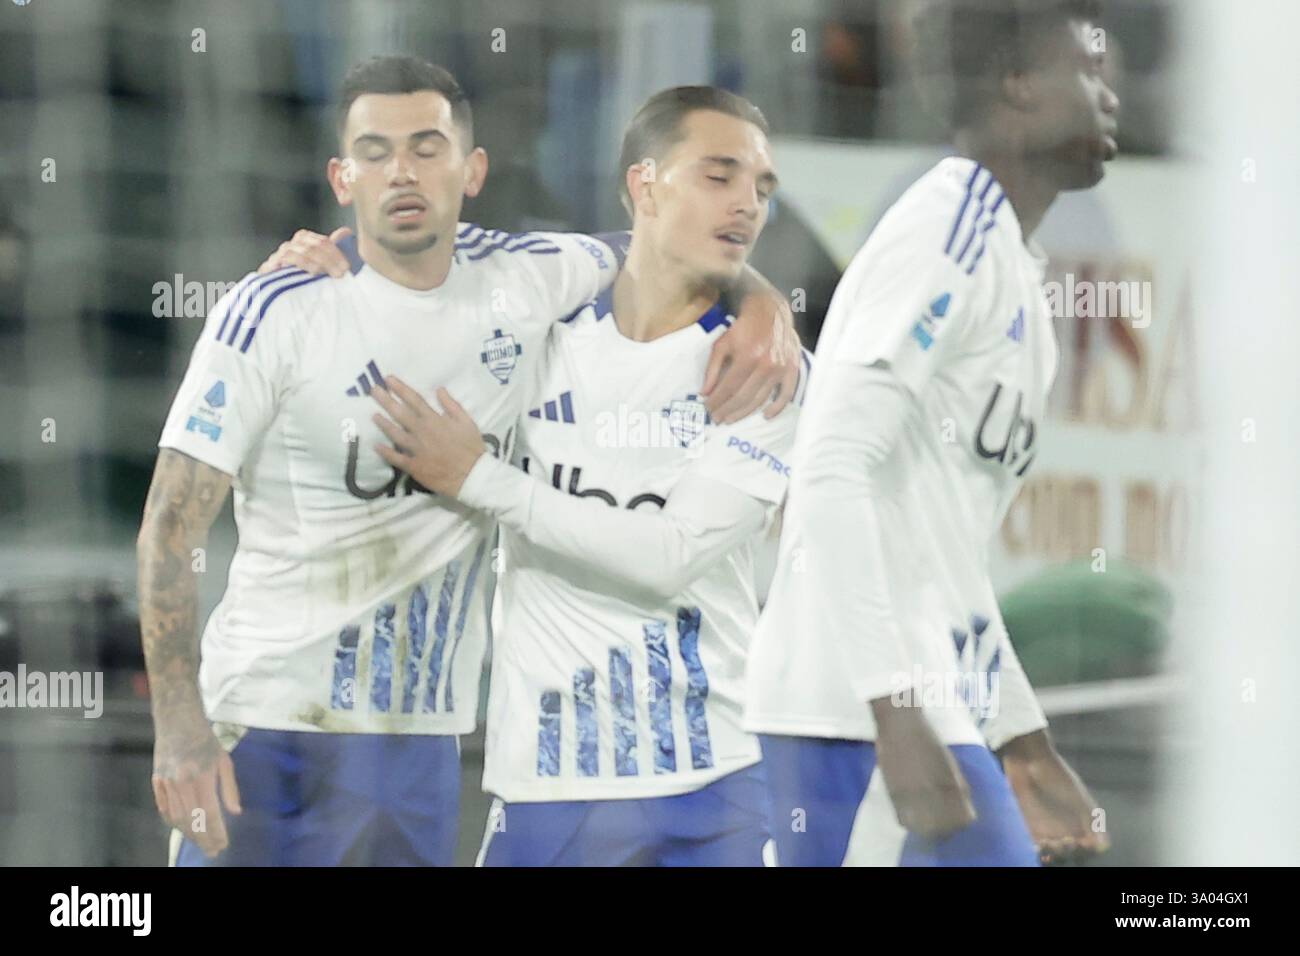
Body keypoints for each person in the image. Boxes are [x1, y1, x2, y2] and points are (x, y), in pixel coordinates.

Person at [138, 56, 795, 866]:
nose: (402, 171)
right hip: (269, 724)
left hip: (419, 746)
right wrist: (178, 729)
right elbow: (170, 526)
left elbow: (667, 240)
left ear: (472, 169)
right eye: (375, 152)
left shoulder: (526, 281)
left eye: (427, 147)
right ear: (341, 178)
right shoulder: (275, 310)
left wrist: (766, 304)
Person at [365, 87, 808, 866]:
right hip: (549, 785)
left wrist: (480, 478)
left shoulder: (766, 368)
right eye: (719, 176)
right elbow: (409, 255)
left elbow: (670, 555)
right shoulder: (536, 322)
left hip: (713, 784)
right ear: (644, 184)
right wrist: (317, 257)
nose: (748, 205)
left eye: (762, 189)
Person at [744, 0, 1118, 866]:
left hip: (922, 703)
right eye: (1089, 72)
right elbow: (831, 465)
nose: (1110, 96)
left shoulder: (1017, 273)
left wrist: (1021, 738)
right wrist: (893, 712)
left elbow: (944, 553)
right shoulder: (946, 226)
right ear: (1021, 86)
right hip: (848, 714)